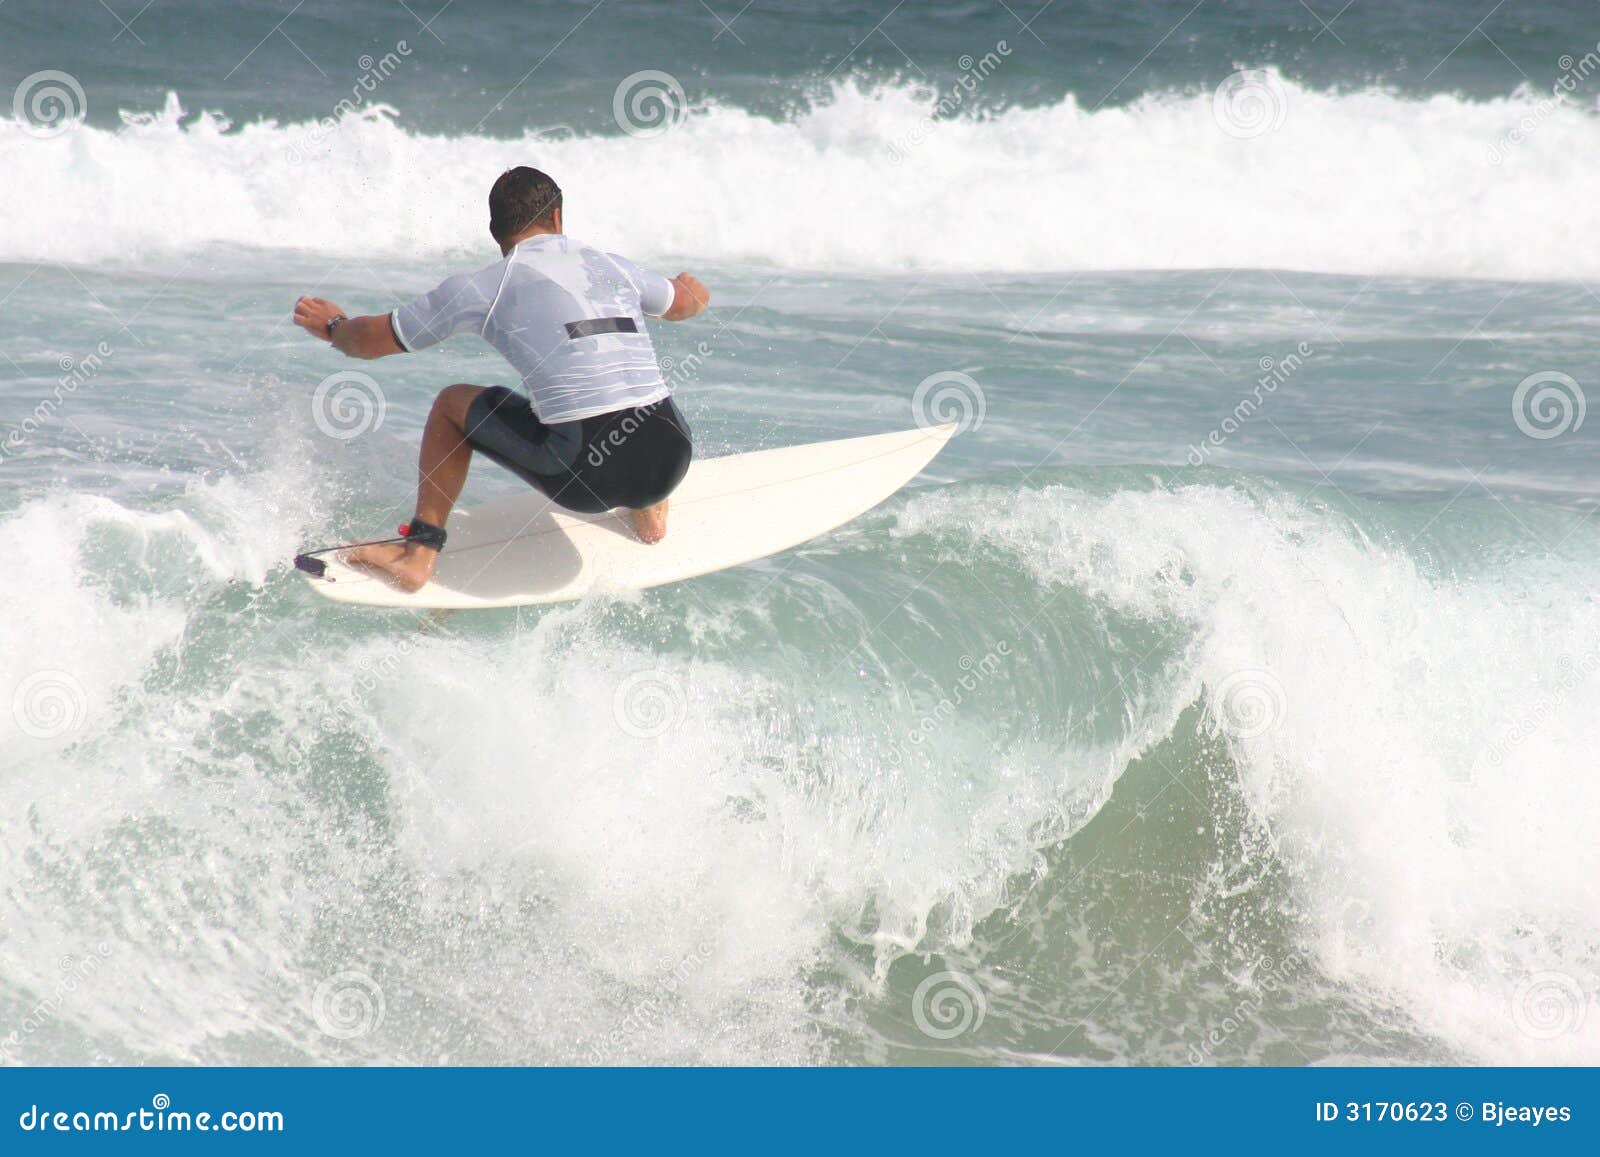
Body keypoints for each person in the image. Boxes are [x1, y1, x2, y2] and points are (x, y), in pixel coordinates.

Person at [292, 166, 710, 591]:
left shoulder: (482, 287)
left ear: (496, 233)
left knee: (452, 404)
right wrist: (688, 288)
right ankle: (650, 512)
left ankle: (418, 553)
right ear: (558, 217)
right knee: (619, 367)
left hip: (587, 479)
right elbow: (686, 303)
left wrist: (334, 326)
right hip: (672, 455)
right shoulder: (610, 265)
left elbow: (369, 341)